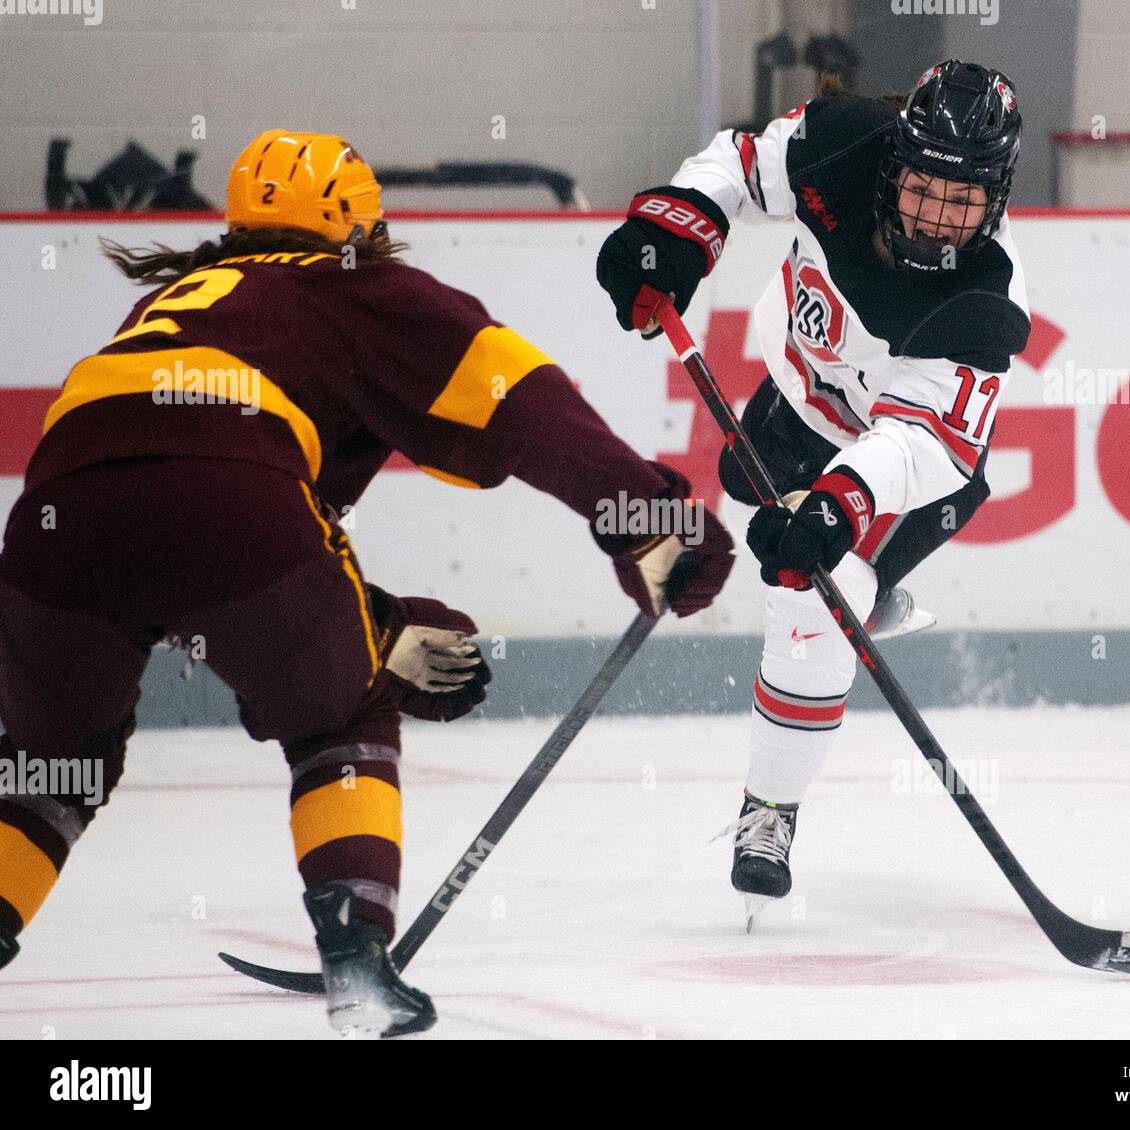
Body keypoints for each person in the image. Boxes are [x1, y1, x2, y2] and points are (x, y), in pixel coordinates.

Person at [0, 130, 734, 1034]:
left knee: (47, 772)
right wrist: (643, 516)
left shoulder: (177, 301)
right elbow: (519, 398)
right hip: (235, 500)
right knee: (340, 720)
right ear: (356, 223)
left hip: (49, 516)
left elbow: (188, 552)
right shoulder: (352, 281)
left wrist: (375, 630)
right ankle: (357, 966)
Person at [597, 61, 1030, 925]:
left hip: (909, 466)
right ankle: (868, 597)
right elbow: (738, 164)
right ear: (894, 162)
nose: (937, 218)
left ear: (998, 198)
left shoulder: (987, 302)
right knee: (749, 495)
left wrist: (840, 505)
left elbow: (921, 443)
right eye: (922, 188)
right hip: (799, 397)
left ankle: (770, 808)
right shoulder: (841, 143)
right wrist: (678, 228)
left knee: (811, 595)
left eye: (964, 202)